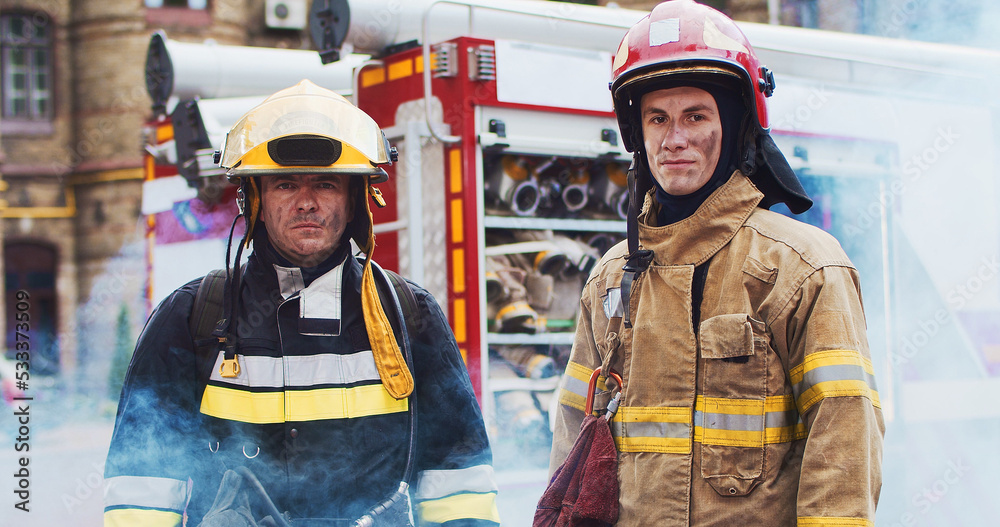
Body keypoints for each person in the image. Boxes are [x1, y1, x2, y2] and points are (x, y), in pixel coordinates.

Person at [104, 80, 500, 526]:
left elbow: (458, 479)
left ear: (354, 203)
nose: (307, 203)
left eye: (326, 184)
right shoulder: (191, 315)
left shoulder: (409, 314)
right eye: (286, 184)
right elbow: (143, 485)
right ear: (253, 199)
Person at [547, 1, 884, 525]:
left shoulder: (802, 267)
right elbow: (574, 438)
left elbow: (844, 446)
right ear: (638, 134)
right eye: (657, 118)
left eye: (695, 116)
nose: (673, 138)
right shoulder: (611, 278)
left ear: (733, 125)